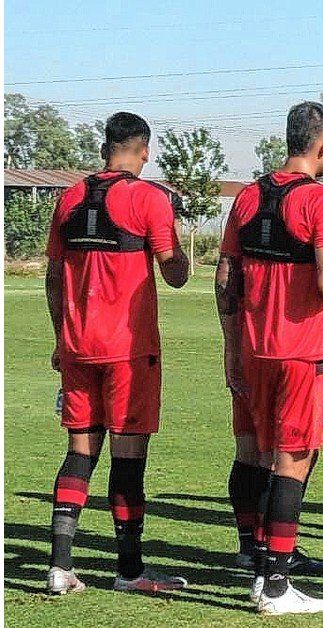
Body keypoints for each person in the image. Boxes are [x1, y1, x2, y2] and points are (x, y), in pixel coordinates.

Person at [44, 111, 190, 595]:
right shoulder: (148, 198)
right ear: (143, 150)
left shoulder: (68, 197)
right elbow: (175, 273)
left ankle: (60, 566)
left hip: (77, 347)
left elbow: (53, 277)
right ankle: (128, 570)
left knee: (80, 452)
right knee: (129, 459)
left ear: (106, 146)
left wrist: (60, 337)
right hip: (129, 352)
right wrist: (177, 247)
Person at [217, 101, 323, 615]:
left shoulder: (248, 196)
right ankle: (275, 584)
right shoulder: (321, 202)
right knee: (293, 459)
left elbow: (225, 279)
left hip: (254, 348)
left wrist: (232, 345)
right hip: (302, 350)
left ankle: (252, 557)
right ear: (321, 145)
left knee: (251, 451)